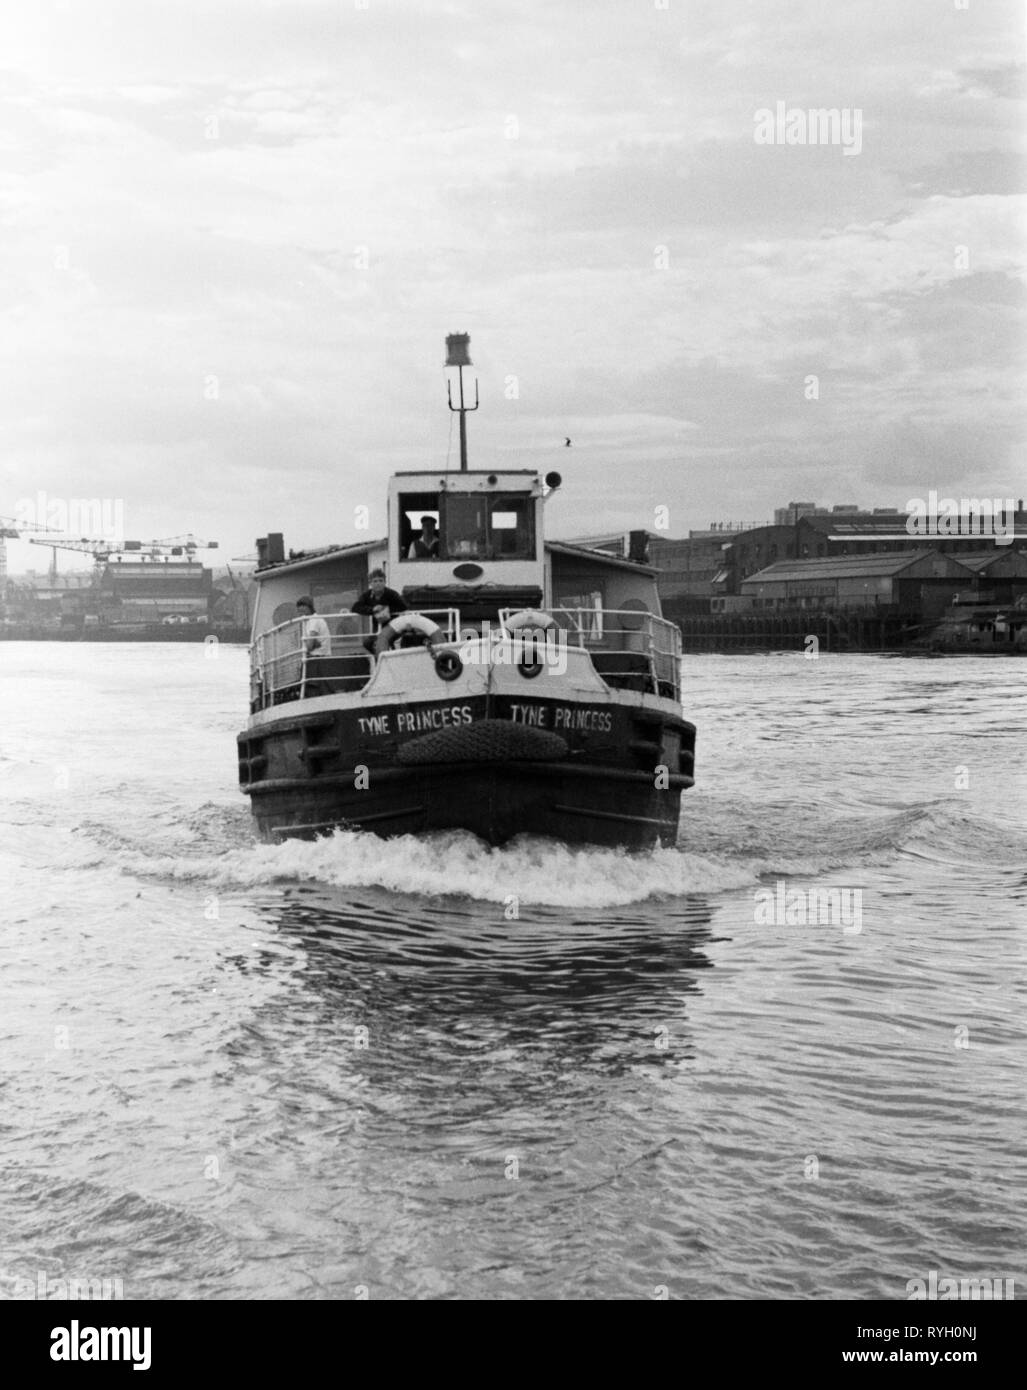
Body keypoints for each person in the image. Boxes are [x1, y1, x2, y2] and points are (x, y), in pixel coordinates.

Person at [352, 569, 407, 655]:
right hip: (377, 629)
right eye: (375, 581)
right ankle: (379, 659)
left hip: (393, 627)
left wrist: (385, 609)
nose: (378, 583)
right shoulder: (367, 595)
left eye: (381, 581)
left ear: (385, 582)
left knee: (385, 641)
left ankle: (389, 657)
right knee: (367, 643)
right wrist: (372, 609)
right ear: (370, 583)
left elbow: (403, 606)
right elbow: (355, 607)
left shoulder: (391, 594)